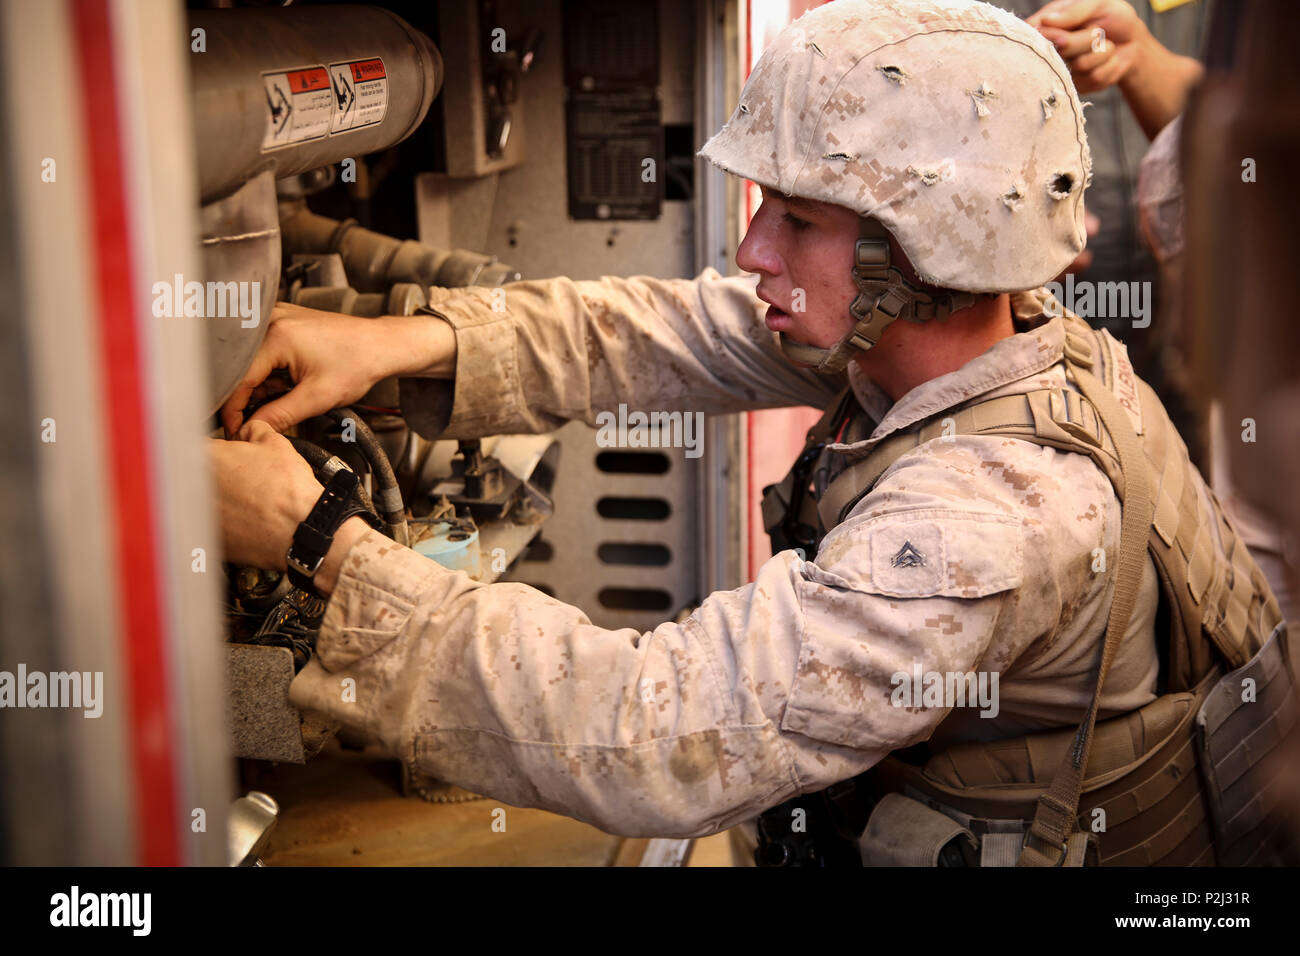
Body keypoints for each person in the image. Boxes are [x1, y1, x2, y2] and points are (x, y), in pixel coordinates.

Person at [210, 0, 1288, 866]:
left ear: (923, 251)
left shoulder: (988, 520)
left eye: (799, 219)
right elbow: (664, 331)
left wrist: (320, 545)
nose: (754, 247)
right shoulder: (960, 333)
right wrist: (410, 343)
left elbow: (650, 732)